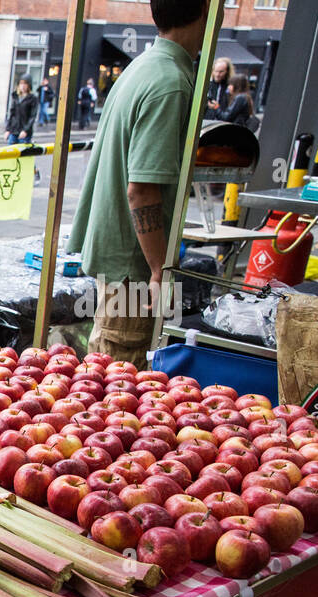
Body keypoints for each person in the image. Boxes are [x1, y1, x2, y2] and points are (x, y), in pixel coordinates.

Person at [68, 0, 208, 369]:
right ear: (206, 9)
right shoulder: (170, 83)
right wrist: (160, 269)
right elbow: (141, 189)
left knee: (106, 374)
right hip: (135, 269)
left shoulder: (143, 67)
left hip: (123, 262)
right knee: (117, 380)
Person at [5, 76, 38, 145]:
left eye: (25, 84)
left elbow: (32, 116)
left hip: (24, 133)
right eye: (21, 83)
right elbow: (12, 114)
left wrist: (25, 130)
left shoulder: (32, 98)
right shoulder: (15, 96)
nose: (23, 86)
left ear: (29, 85)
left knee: (22, 154)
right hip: (13, 131)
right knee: (10, 153)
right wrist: (7, 129)